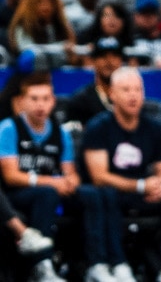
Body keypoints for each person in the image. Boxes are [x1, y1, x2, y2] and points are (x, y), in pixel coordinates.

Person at [82, 66, 161, 282]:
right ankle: (118, 265)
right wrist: (141, 186)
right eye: (126, 90)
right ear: (112, 94)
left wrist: (159, 186)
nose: (133, 95)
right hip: (111, 193)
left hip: (141, 192)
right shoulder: (98, 127)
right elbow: (99, 176)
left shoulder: (154, 128)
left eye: (138, 90)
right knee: (106, 194)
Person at [0, 70, 113, 282]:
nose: (40, 105)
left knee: (91, 194)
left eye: (45, 99)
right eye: (34, 99)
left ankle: (96, 265)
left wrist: (71, 182)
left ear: (53, 101)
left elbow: (69, 171)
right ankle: (42, 267)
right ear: (22, 101)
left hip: (52, 189)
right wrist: (52, 182)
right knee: (47, 193)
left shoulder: (60, 133)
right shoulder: (9, 128)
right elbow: (10, 176)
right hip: (18, 195)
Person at [62, 36, 123, 125]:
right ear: (93, 61)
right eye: (103, 56)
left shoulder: (129, 99)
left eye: (114, 56)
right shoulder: (79, 101)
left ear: (121, 61)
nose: (109, 61)